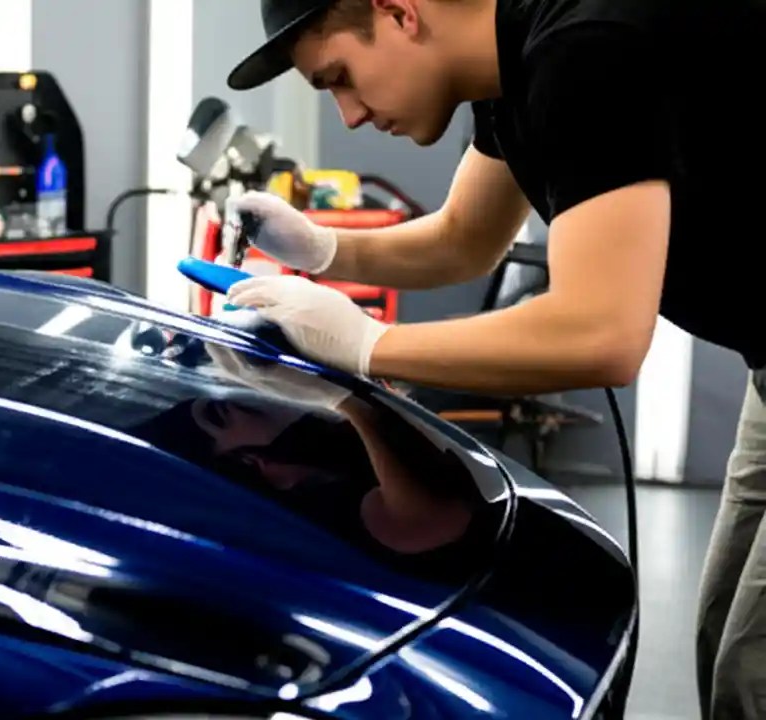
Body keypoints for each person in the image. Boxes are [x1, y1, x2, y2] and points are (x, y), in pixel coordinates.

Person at [221, 0, 766, 717]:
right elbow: (463, 238)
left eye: (341, 78)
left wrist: (366, 346)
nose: (349, 115)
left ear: (398, 12)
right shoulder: (507, 68)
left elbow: (601, 331)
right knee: (724, 635)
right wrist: (323, 249)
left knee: (751, 676)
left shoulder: (585, 47)